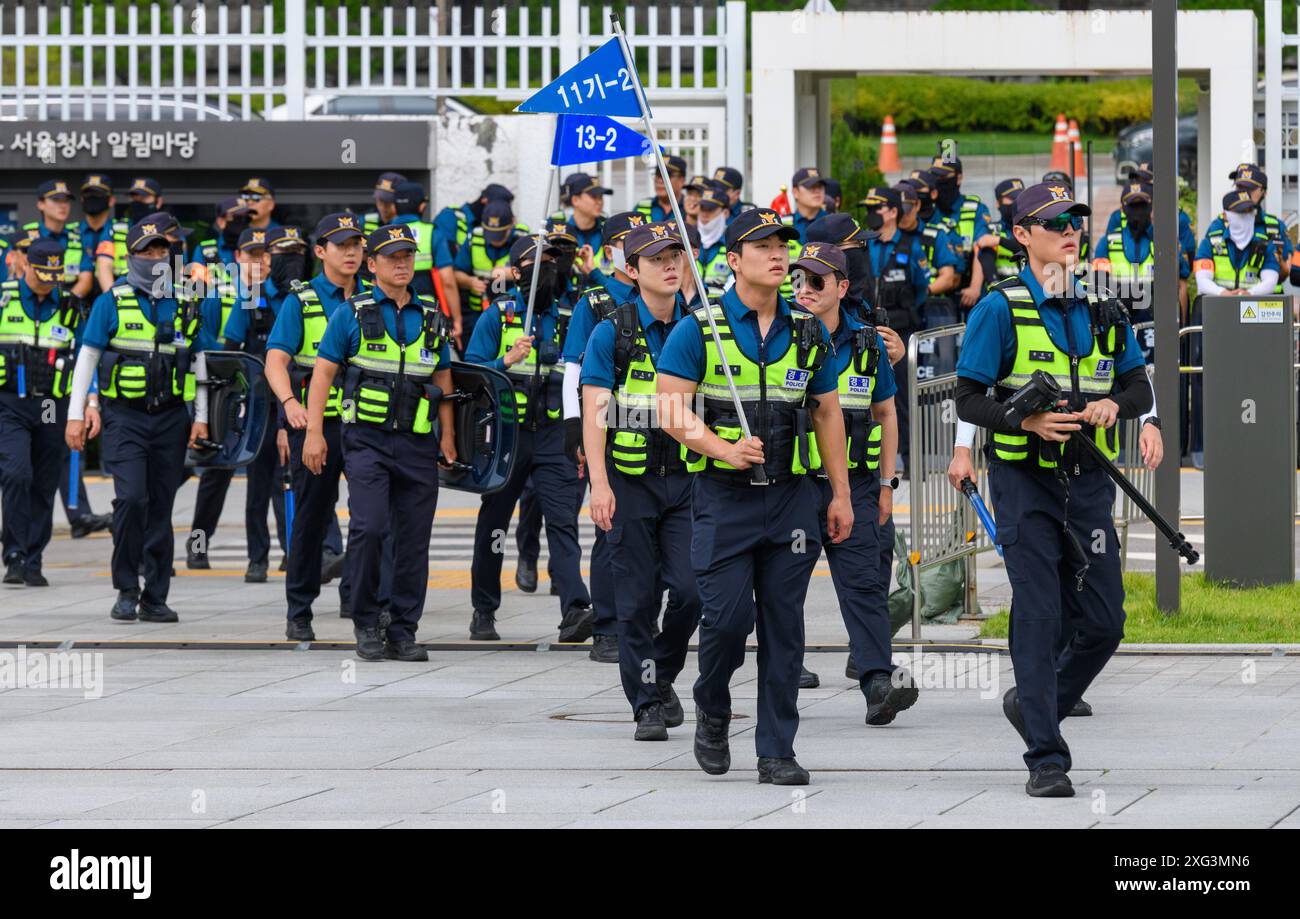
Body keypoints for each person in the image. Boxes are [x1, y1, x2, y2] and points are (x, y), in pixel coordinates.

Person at [954, 182, 1151, 797]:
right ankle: (1046, 754)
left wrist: (1111, 407)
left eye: (1074, 221)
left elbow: (1139, 390)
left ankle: (1035, 703)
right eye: (1053, 223)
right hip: (1024, 484)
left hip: (1089, 484)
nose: (1069, 230)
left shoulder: (1103, 306)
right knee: (1038, 613)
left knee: (1103, 621)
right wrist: (1027, 419)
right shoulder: (998, 308)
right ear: (1022, 236)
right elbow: (967, 397)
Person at [655, 207, 853, 786]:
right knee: (725, 621)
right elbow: (669, 408)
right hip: (723, 496)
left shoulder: (808, 329)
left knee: (785, 626)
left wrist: (840, 494)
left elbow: (827, 413)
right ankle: (712, 709)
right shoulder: (701, 327)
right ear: (734, 259)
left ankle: (776, 750)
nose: (777, 254)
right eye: (761, 245)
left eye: (782, 244)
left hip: (792, 499)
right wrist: (722, 448)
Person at [304, 223, 456, 661]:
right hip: (365, 440)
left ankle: (402, 629)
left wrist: (447, 435)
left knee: (413, 540)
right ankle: (367, 620)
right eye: (392, 256)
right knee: (370, 527)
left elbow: (442, 379)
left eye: (407, 255)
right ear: (372, 265)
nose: (402, 263)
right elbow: (323, 376)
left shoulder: (430, 316)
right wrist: (314, 433)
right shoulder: (350, 314)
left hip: (417, 444)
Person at [581, 221, 701, 739]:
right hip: (630, 484)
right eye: (656, 259)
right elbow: (594, 413)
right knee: (634, 603)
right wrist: (600, 486)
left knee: (694, 593)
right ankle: (646, 704)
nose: (671, 265)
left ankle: (663, 670)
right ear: (631, 271)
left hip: (687, 481)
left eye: (676, 255)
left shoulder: (700, 327)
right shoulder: (613, 330)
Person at [789, 241, 915, 724]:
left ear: (842, 287)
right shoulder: (780, 335)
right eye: (799, 280)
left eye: (817, 281)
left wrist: (887, 484)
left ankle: (878, 682)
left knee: (863, 583)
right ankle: (784, 674)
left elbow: (886, 412)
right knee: (784, 586)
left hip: (859, 484)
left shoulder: (866, 342)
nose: (805, 290)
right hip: (797, 484)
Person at [65, 217, 215, 623]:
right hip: (124, 417)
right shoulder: (110, 302)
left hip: (171, 419)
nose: (154, 258)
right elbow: (87, 360)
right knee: (132, 500)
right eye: (146, 251)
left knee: (161, 507)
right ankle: (126, 588)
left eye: (161, 250)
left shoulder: (186, 301)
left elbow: (199, 364)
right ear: (130, 257)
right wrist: (76, 415)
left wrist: (200, 419)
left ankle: (156, 596)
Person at [465, 236, 594, 645]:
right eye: (539, 261)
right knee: (495, 524)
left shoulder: (573, 316)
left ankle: (574, 609)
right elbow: (467, 374)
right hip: (508, 435)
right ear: (517, 272)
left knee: (563, 522)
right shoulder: (498, 317)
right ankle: (484, 609)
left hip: (556, 435)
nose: (550, 267)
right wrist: (505, 361)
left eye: (555, 260)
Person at [265, 215, 369, 640]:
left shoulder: (374, 295)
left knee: (370, 517)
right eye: (340, 245)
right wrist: (290, 405)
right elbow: (275, 361)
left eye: (357, 244)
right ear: (321, 251)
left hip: (366, 422)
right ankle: (300, 609)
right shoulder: (301, 300)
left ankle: (358, 596)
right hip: (317, 425)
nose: (350, 252)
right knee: (311, 515)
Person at [545, 213, 642, 660]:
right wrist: (573, 425)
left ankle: (640, 620)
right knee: (610, 528)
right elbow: (574, 368)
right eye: (627, 241)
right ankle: (606, 627)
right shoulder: (596, 301)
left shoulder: (667, 297)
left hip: (659, 428)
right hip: (608, 425)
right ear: (610, 252)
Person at [185, 226, 287, 580]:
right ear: (237, 258)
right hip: (220, 395)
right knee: (215, 477)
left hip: (263, 400)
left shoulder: (276, 295)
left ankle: (284, 552)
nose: (258, 261)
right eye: (250, 254)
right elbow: (206, 344)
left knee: (273, 479)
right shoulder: (217, 291)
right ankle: (197, 546)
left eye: (264, 255)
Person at [0, 240, 85, 586]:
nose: (49, 281)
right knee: (17, 472)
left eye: (56, 274)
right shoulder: (4, 297)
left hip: (52, 404)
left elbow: (84, 355)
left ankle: (33, 558)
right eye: (43, 273)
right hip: (10, 402)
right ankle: (14, 553)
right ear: (26, 266)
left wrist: (87, 404)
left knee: (45, 480)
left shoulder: (68, 305)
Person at [864, 186, 930, 477]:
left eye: (877, 208)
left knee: (900, 401)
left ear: (892, 212)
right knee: (865, 399)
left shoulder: (910, 246)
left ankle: (912, 464)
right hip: (869, 332)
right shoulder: (864, 246)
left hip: (901, 333)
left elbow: (921, 290)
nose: (871, 214)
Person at [452, 200, 529, 347]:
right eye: (490, 233)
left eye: (500, 234)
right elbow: (456, 274)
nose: (495, 240)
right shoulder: (475, 238)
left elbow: (537, 273)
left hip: (514, 315)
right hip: (478, 313)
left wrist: (510, 273)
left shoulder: (523, 238)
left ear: (512, 224)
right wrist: (469, 281)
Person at [928, 158, 992, 311]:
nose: (939, 181)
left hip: (968, 294)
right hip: (932, 296)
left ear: (959, 178)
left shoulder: (975, 209)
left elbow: (981, 246)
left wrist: (975, 287)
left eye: (944, 177)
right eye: (935, 176)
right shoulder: (926, 208)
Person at [24, 180, 94, 301]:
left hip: (66, 303)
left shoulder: (77, 237)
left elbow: (86, 280)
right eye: (56, 200)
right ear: (41, 204)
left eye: (66, 200)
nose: (63, 205)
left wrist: (65, 303)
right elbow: (18, 274)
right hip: (31, 302)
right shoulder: (26, 235)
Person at [95, 177, 164, 293]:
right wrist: (113, 297)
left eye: (144, 197)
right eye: (134, 197)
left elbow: (177, 269)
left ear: (158, 201)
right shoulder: (114, 229)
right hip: (120, 292)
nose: (138, 201)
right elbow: (103, 266)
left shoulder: (168, 231)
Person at [560, 173, 610, 280]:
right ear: (575, 200)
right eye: (593, 196)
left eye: (601, 196)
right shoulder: (559, 232)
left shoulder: (609, 230)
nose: (600, 201)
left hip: (606, 293)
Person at [195, 197, 253, 289]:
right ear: (221, 222)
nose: (242, 222)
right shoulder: (205, 250)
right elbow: (198, 287)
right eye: (237, 217)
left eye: (246, 218)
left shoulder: (259, 251)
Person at [980, 178, 1026, 284]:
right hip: (1000, 291)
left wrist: (1000, 241)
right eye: (1012, 199)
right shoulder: (992, 230)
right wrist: (995, 284)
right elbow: (986, 258)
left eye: (1020, 199)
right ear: (998, 203)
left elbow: (1029, 249)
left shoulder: (1031, 228)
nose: (1016, 203)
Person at [696, 185, 731, 298]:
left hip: (722, 310)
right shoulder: (688, 241)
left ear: (725, 213)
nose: (705, 214)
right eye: (702, 208)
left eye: (711, 209)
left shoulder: (733, 243)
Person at [635, 156, 687, 222]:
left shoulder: (691, 209)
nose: (660, 180)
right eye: (657, 174)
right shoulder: (641, 207)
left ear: (681, 181)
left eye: (666, 175)